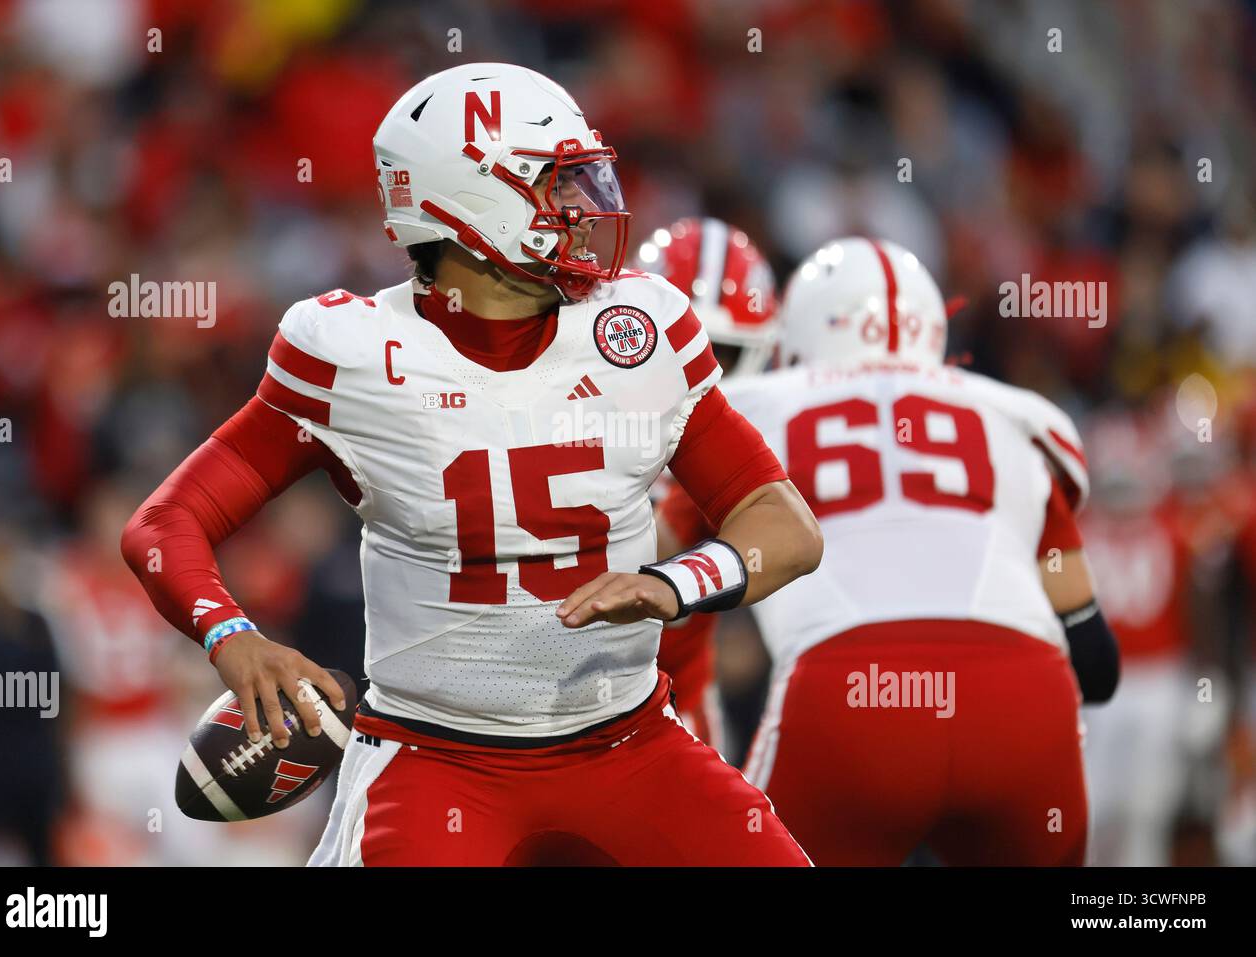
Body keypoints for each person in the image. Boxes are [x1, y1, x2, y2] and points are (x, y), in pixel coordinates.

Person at [121, 63, 822, 866]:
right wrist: (233, 635)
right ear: (467, 201)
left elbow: (787, 528)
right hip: (436, 759)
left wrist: (672, 583)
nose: (585, 210)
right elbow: (163, 522)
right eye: (556, 185)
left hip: (631, 742)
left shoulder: (641, 329)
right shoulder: (351, 353)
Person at [720, 237, 1119, 865]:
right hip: (1025, 697)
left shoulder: (747, 410)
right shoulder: (1012, 417)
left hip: (849, 692)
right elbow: (1097, 663)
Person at [635, 217, 780, 750]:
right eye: (684, 346)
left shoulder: (762, 451)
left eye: (722, 353)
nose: (700, 374)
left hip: (679, 714)